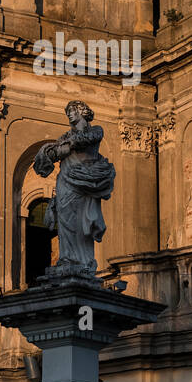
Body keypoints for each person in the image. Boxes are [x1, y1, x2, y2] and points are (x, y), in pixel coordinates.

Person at [32, 101, 116, 276]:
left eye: (72, 111)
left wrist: (67, 145)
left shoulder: (96, 130)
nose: (69, 114)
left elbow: (85, 140)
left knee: (81, 222)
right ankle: (67, 258)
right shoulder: (65, 136)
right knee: (65, 220)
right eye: (68, 112)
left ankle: (83, 261)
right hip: (65, 181)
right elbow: (55, 153)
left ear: (82, 111)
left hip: (85, 181)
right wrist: (55, 150)